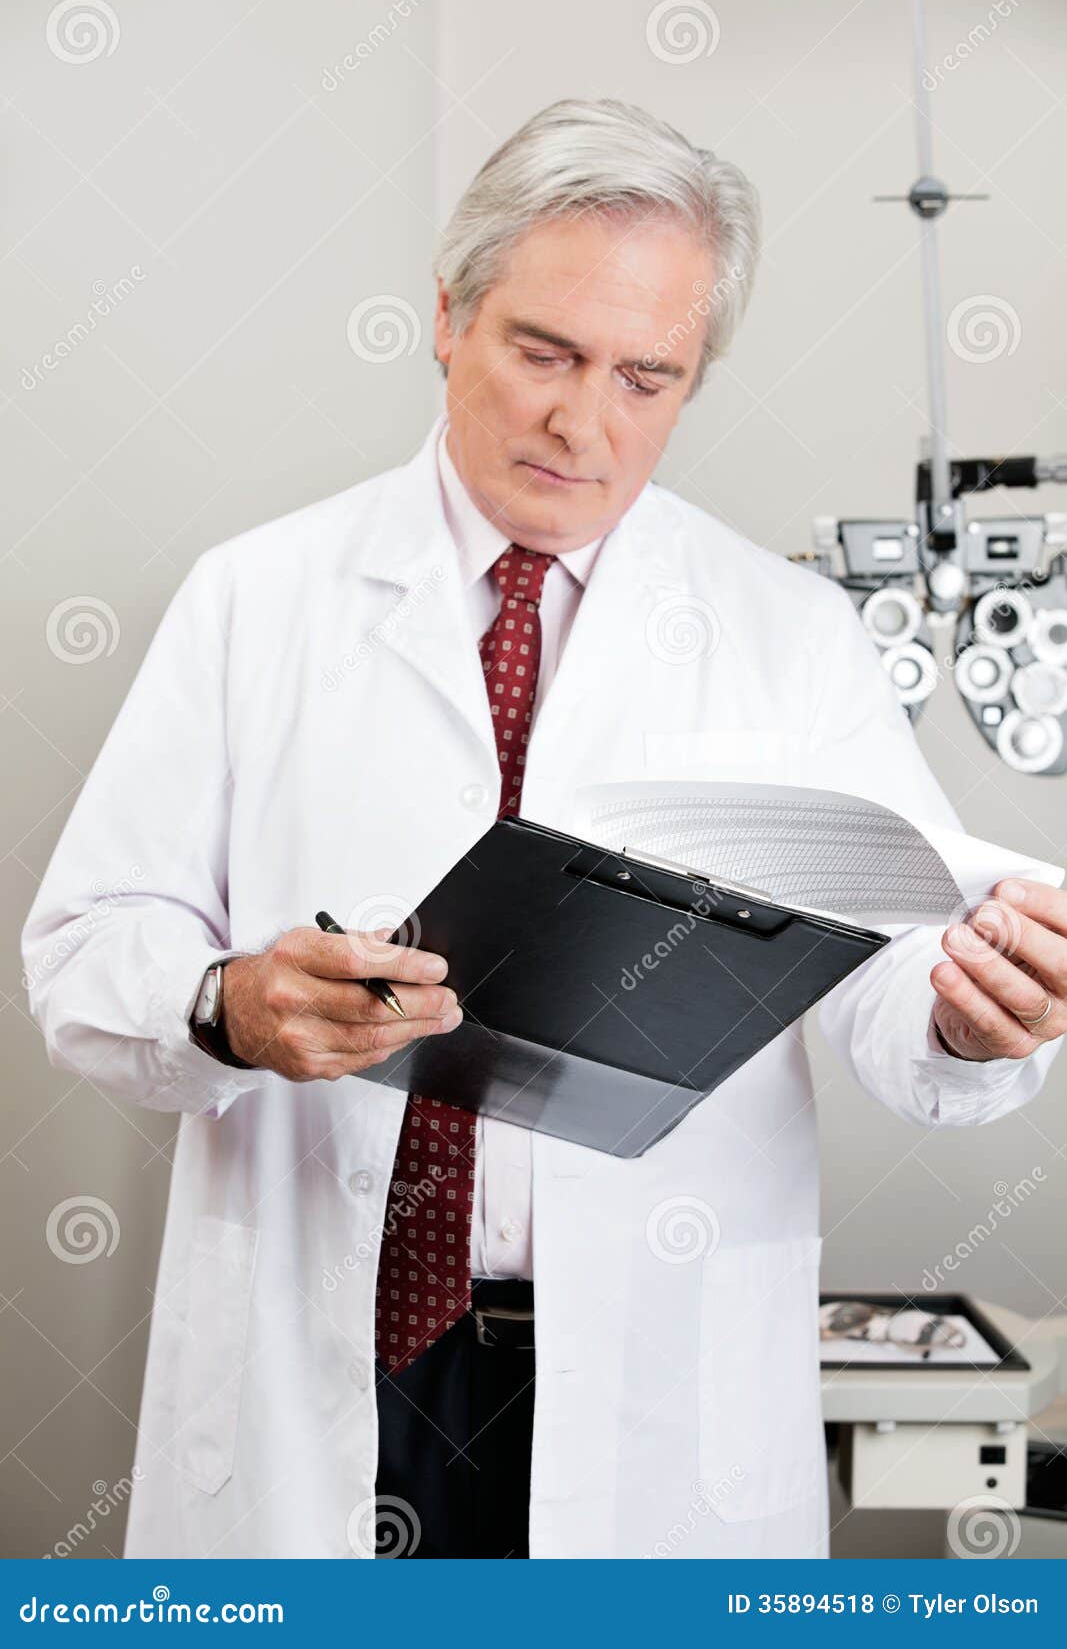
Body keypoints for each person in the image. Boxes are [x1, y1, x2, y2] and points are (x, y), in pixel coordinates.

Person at [21, 98, 1065, 1560]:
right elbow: (86, 950)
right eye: (545, 352)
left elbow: (891, 973)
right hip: (333, 1356)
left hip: (649, 1387)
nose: (587, 423)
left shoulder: (790, 638)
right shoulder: (255, 600)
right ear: (448, 316)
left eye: (647, 375)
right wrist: (228, 1004)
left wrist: (972, 1012)